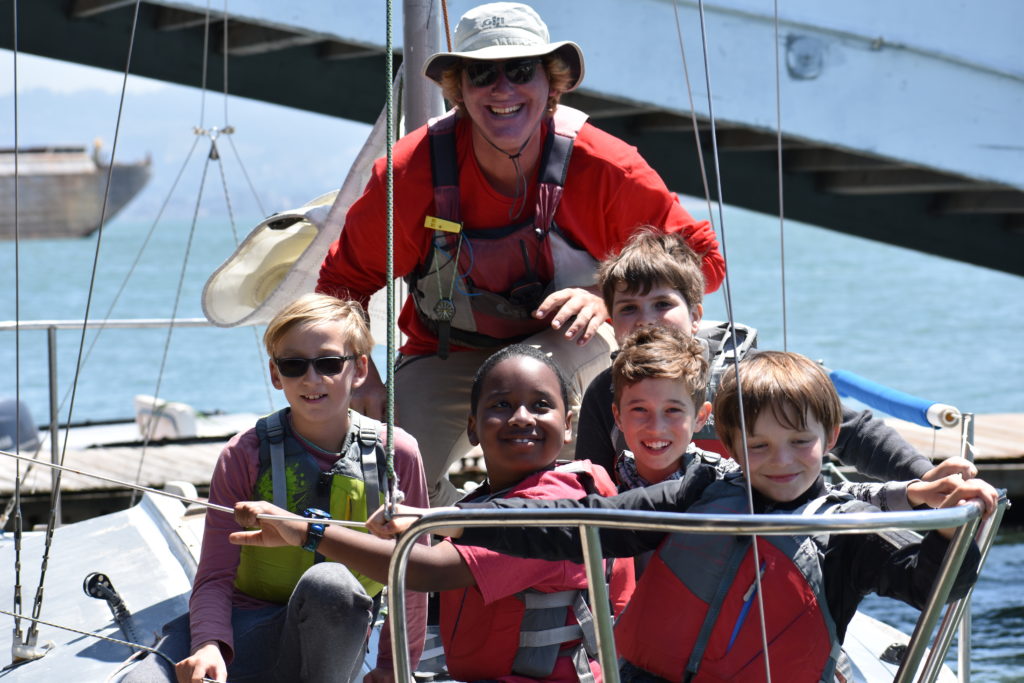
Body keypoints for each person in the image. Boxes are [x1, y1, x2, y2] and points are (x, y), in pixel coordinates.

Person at [372, 350, 998, 682]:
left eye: (799, 443)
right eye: (757, 445)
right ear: (728, 441)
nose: (781, 461)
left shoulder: (850, 526)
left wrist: (951, 527)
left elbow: (932, 585)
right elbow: (590, 520)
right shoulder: (697, 490)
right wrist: (461, 520)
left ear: (830, 439)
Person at [315, 2, 724, 506]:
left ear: (552, 85)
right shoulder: (407, 174)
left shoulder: (607, 166)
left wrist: (604, 294)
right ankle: (465, 546)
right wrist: (360, 371)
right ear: (458, 90)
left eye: (521, 70)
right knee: (383, 478)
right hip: (447, 350)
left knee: (530, 402)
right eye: (481, 73)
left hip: (573, 343)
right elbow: (340, 287)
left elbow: (704, 262)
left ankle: (561, 524)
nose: (501, 88)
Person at [231, 344, 635, 683]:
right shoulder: (477, 506)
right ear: (473, 428)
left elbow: (428, 571)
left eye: (541, 405)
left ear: (567, 427)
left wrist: (309, 531)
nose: (521, 417)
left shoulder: (559, 504)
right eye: (502, 405)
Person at [124, 293, 428, 683]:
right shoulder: (244, 453)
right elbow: (215, 575)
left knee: (330, 583)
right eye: (294, 365)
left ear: (360, 369)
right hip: (248, 626)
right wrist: (208, 645)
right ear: (274, 373)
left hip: (339, 637)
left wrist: (395, 666)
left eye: (329, 363)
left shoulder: (397, 454)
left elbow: (414, 577)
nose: (311, 379)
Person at [575, 226, 981, 488]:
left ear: (696, 316)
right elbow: (593, 477)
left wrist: (926, 476)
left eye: (663, 304)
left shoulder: (748, 378)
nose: (647, 320)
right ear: (612, 319)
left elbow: (852, 431)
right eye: (629, 308)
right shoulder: (605, 390)